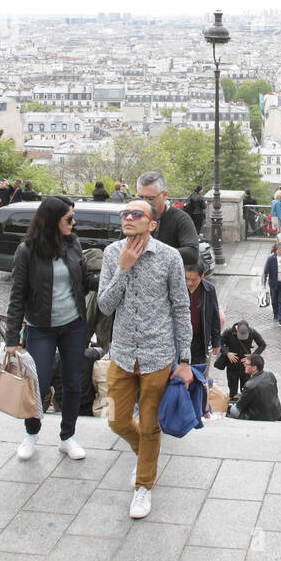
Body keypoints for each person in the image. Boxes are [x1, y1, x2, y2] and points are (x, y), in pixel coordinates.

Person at [97, 199, 194, 520]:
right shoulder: (113, 254)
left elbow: (181, 307)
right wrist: (123, 268)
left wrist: (185, 359)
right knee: (116, 419)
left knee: (151, 424)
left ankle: (143, 486)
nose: (127, 218)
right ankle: (146, 459)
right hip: (123, 353)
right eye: (124, 213)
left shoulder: (170, 257)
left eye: (135, 214)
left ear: (152, 224)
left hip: (158, 355)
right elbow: (105, 306)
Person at [4, 197, 94, 463]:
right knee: (38, 384)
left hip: (74, 326)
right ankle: (31, 434)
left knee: (73, 382)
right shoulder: (27, 250)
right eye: (69, 218)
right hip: (40, 328)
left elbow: (85, 282)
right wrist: (12, 338)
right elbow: (17, 296)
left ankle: (67, 437)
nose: (73, 222)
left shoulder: (73, 243)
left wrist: (117, 272)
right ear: (53, 220)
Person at [180, 248, 222, 413]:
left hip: (199, 339)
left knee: (198, 376)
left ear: (202, 276)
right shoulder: (178, 287)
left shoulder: (208, 290)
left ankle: (197, 409)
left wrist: (216, 341)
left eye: (194, 280)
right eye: (187, 279)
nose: (190, 283)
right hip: (180, 340)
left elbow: (214, 316)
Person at [135, 171, 200, 254]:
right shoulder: (133, 217)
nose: (144, 202)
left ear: (165, 195)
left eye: (150, 198)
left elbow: (192, 252)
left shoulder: (180, 219)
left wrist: (153, 253)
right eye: (140, 197)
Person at [217, 321, 267, 400]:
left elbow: (262, 344)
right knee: (232, 391)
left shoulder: (252, 332)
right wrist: (227, 353)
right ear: (237, 329)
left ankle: (244, 409)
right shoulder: (229, 332)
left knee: (246, 391)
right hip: (232, 366)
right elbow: (219, 342)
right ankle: (232, 408)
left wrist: (253, 356)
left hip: (246, 367)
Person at [229, 355, 281, 421]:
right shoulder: (270, 375)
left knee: (232, 409)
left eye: (246, 364)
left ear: (254, 368)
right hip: (276, 414)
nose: (244, 365)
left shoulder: (249, 385)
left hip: (258, 417)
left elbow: (239, 406)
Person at [261, 241, 281, 328]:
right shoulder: (271, 258)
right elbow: (265, 272)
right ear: (278, 250)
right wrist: (263, 283)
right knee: (274, 300)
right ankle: (276, 313)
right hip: (274, 283)